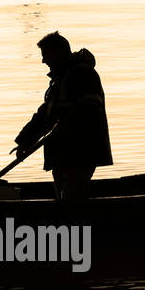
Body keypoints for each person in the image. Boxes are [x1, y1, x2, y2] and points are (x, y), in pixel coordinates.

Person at [14, 31, 112, 201]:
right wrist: (25, 140)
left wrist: (66, 126)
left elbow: (90, 112)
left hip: (82, 151)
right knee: (62, 200)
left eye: (46, 55)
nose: (43, 60)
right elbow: (45, 114)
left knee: (71, 199)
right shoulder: (60, 80)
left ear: (58, 52)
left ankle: (78, 226)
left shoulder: (83, 75)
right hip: (62, 152)